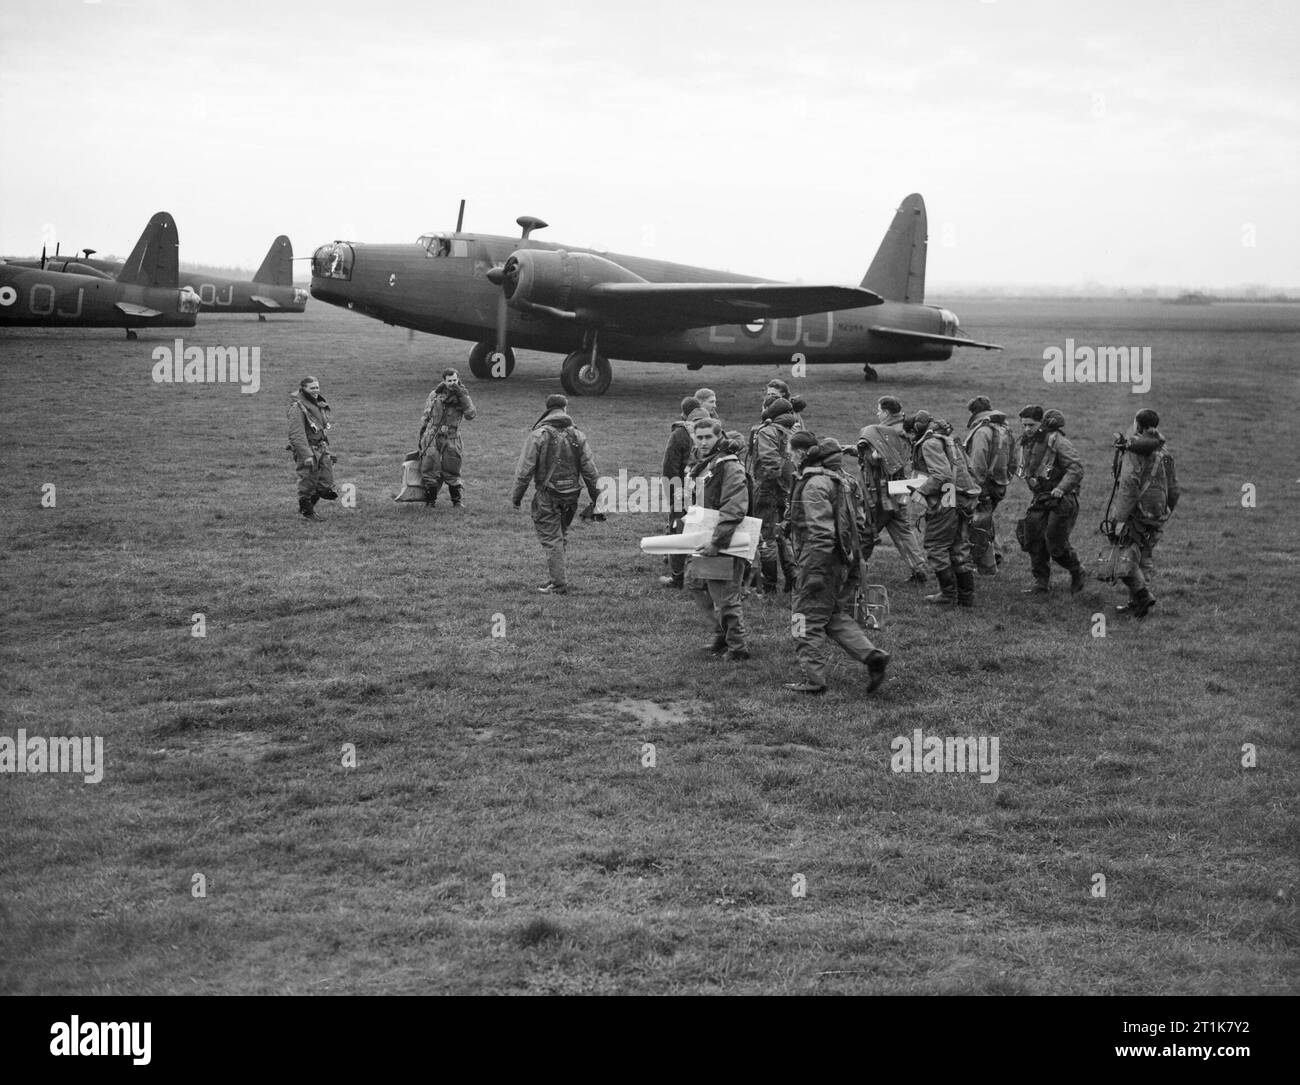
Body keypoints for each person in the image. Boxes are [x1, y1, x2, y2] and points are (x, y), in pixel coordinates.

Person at [784, 432, 890, 694]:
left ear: (801, 454)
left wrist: (815, 572)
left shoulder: (813, 485)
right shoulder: (846, 479)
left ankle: (813, 680)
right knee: (831, 615)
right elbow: (862, 524)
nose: (789, 456)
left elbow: (820, 533)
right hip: (847, 560)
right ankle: (873, 656)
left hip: (819, 562)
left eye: (790, 452)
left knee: (803, 619)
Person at [512, 394, 601, 594]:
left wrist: (516, 498)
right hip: (571, 497)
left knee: (552, 538)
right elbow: (590, 471)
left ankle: (559, 584)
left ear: (547, 409)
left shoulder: (539, 435)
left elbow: (524, 470)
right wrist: (597, 498)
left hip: (548, 496)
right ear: (565, 409)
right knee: (560, 536)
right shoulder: (578, 435)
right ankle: (557, 577)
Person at [685, 418, 749, 660]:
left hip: (725, 539)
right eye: (699, 437)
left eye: (707, 437)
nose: (702, 442)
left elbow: (734, 508)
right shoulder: (706, 462)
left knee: (726, 596)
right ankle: (722, 634)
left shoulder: (729, 465)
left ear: (718, 436)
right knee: (696, 583)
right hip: (706, 535)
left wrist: (717, 541)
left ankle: (737, 648)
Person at [1108, 408, 1179, 619]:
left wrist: (1118, 519)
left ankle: (1142, 595)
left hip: (1136, 513)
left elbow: (1129, 485)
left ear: (1137, 424)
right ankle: (1136, 605)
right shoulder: (1165, 452)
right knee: (1144, 557)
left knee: (1123, 555)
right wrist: (1166, 511)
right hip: (1157, 513)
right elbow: (1174, 488)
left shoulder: (1135, 451)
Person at [856, 396, 929, 584]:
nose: (877, 413)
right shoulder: (904, 431)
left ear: (887, 412)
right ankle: (919, 568)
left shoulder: (882, 433)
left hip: (880, 494)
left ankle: (854, 569)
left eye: (879, 410)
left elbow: (877, 459)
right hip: (900, 489)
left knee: (868, 530)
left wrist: (866, 454)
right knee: (903, 529)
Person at [910, 412, 979, 606]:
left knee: (936, 547)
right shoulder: (950, 440)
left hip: (947, 501)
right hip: (963, 497)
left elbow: (941, 475)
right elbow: (970, 469)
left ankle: (948, 594)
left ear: (916, 428)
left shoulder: (930, 443)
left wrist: (921, 491)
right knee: (959, 548)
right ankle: (966, 598)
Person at [1017, 406, 1086, 595]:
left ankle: (1076, 570)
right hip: (1041, 498)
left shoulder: (1059, 442)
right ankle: (1041, 582)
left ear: (1042, 423)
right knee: (1033, 538)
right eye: (1024, 425)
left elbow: (1076, 469)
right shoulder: (1029, 442)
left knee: (1054, 542)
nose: (1027, 429)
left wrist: (1061, 488)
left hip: (1062, 499)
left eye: (1031, 425)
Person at [746, 395, 799, 594]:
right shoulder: (793, 430)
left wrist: (773, 484)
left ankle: (768, 586)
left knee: (765, 536)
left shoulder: (768, 432)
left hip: (768, 488)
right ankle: (792, 576)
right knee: (781, 534)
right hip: (789, 489)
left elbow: (769, 461)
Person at [657, 396, 708, 588]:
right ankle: (704, 577)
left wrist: (673, 497)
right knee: (705, 531)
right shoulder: (716, 429)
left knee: (678, 532)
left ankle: (677, 577)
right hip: (708, 491)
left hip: (684, 490)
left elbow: (670, 467)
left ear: (684, 414)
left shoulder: (680, 433)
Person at [963, 395, 1014, 575]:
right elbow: (1014, 458)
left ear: (974, 412)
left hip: (984, 484)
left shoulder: (982, 431)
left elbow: (977, 462)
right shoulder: (1004, 428)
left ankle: (987, 566)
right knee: (987, 518)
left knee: (978, 524)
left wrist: (975, 488)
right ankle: (997, 553)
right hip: (1000, 483)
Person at [417, 368, 476, 508]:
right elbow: (426, 415)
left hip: (452, 437)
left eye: (455, 380)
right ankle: (430, 502)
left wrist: (462, 398)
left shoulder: (463, 396)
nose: (452, 383)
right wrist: (422, 435)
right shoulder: (434, 394)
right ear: (444, 380)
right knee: (429, 467)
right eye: (449, 381)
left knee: (453, 467)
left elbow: (471, 415)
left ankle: (457, 502)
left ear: (458, 379)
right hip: (432, 435)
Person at [286, 375, 337, 522]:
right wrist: (306, 455)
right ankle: (307, 510)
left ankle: (312, 504)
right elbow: (296, 434)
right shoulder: (297, 407)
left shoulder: (316, 404)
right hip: (308, 450)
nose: (315, 390)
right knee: (308, 481)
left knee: (325, 483)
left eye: (317, 387)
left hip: (321, 448)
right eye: (312, 388)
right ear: (303, 388)